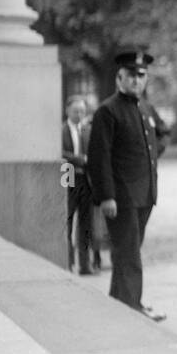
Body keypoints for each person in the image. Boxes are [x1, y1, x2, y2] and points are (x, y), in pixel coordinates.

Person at [88, 47, 165, 320]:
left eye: (141, 76)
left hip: (145, 193)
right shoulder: (107, 111)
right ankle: (132, 306)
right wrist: (106, 196)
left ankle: (119, 305)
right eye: (131, 75)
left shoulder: (145, 108)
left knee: (127, 251)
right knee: (129, 252)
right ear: (119, 78)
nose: (136, 80)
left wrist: (153, 153)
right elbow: (99, 158)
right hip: (121, 196)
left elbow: (161, 134)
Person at [61, 96, 99, 275]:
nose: (79, 114)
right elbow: (59, 152)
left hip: (86, 179)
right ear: (67, 111)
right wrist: (79, 159)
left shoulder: (88, 130)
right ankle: (67, 263)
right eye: (76, 111)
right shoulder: (61, 131)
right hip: (68, 177)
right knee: (67, 221)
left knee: (86, 223)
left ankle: (85, 264)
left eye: (82, 111)